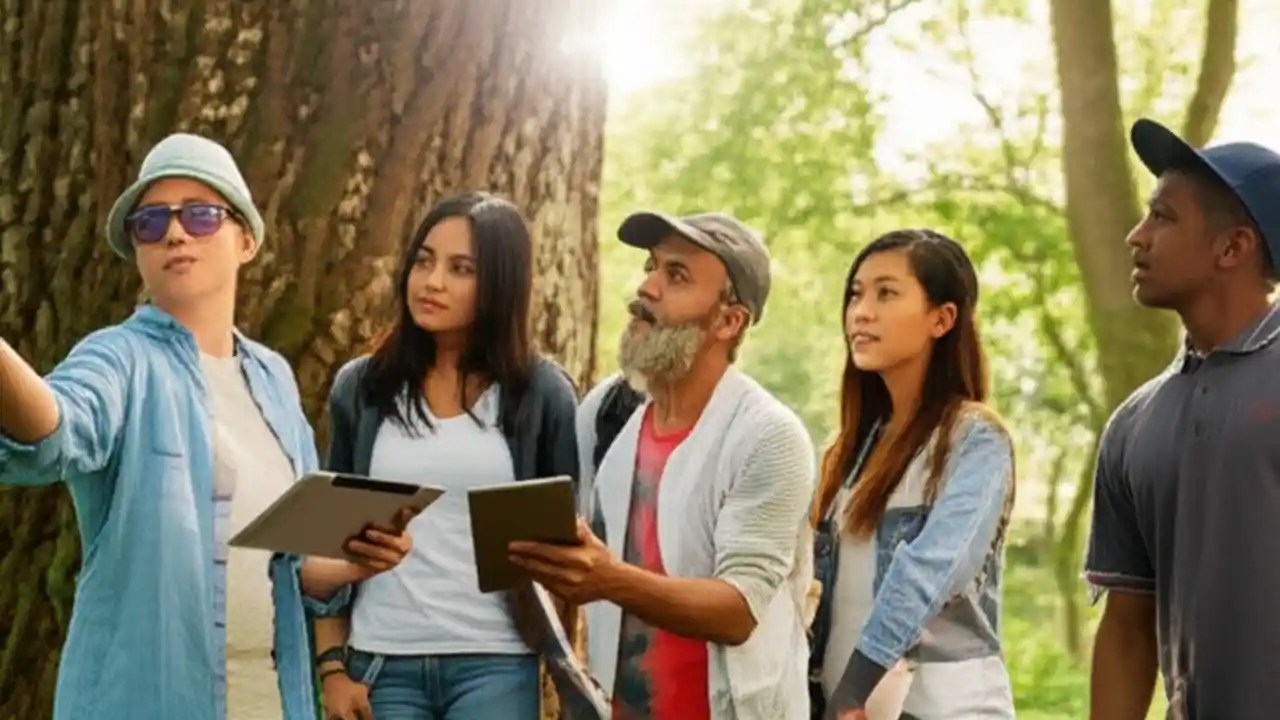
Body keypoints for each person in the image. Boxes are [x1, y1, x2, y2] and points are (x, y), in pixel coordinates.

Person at [0, 133, 412, 720]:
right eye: (150, 223)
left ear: (245, 240)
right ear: (137, 250)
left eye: (200, 215)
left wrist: (356, 560)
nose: (174, 233)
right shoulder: (118, 358)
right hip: (147, 699)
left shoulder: (272, 377)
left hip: (270, 696)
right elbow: (52, 435)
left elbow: (295, 563)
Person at [508, 211, 817, 719]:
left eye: (676, 276)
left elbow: (739, 610)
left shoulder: (768, 435)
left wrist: (610, 579)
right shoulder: (606, 413)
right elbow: (576, 560)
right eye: (652, 266)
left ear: (728, 321)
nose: (647, 287)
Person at [303, 192, 580, 720]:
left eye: (461, 269)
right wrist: (333, 669)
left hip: (495, 662)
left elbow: (568, 561)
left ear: (500, 284)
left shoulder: (541, 394)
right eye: (424, 261)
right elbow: (324, 545)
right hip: (381, 662)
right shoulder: (362, 389)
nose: (431, 282)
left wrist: (564, 675)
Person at [1084, 118, 1280, 720]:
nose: (1135, 237)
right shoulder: (1132, 425)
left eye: (1163, 218)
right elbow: (1128, 630)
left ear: (1233, 247)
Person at [807, 229, 1016, 720]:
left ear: (942, 319)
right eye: (856, 294)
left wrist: (853, 690)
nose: (861, 311)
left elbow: (930, 570)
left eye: (886, 293)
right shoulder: (847, 453)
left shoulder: (974, 441)